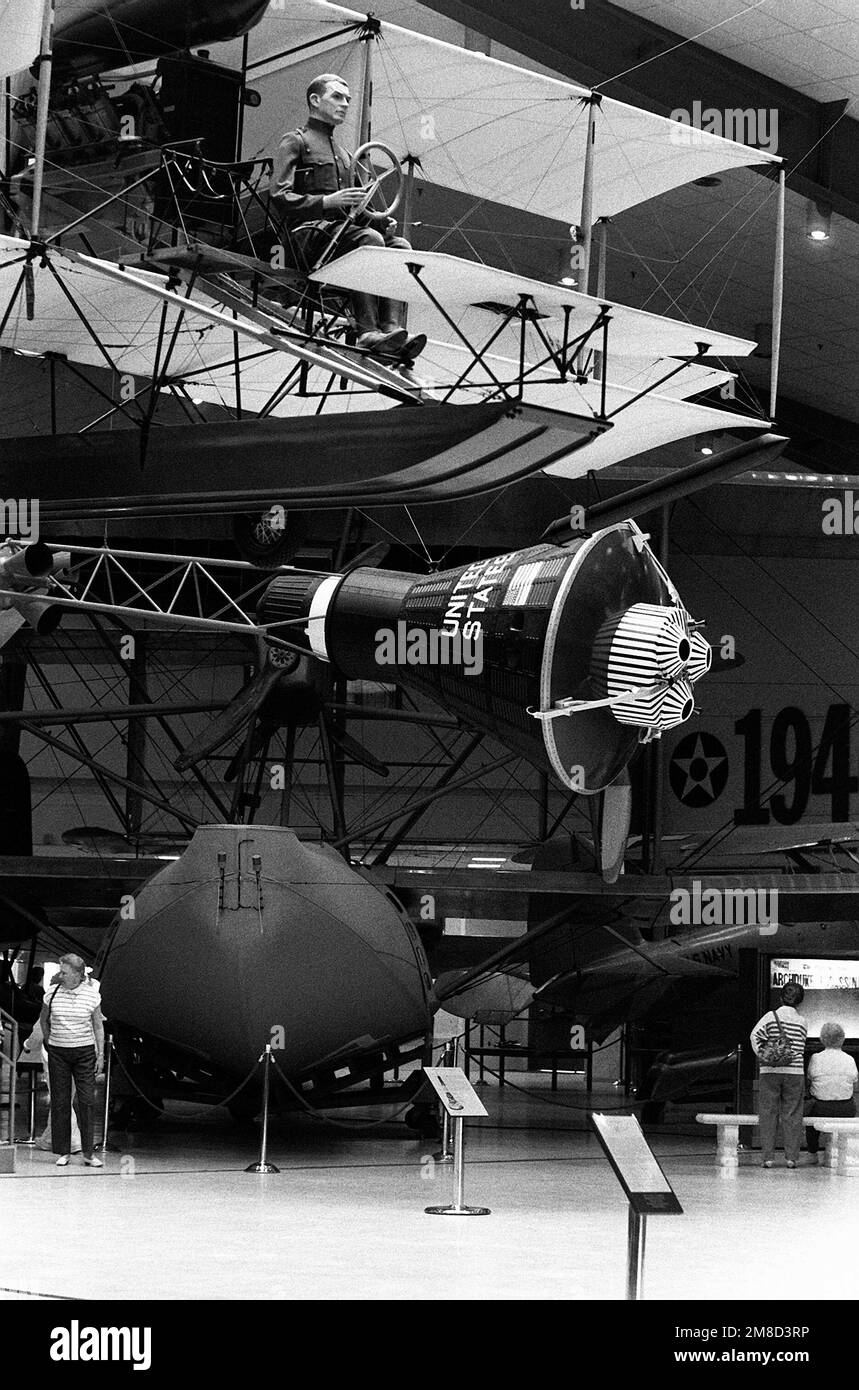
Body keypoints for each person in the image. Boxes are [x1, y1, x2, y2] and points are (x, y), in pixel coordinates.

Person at [270, 73, 426, 363]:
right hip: (304, 238)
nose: (344, 104)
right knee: (369, 240)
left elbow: (350, 213)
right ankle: (367, 331)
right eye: (337, 97)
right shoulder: (295, 141)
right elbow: (279, 198)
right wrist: (326, 201)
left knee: (400, 246)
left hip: (337, 237)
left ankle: (391, 328)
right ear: (315, 101)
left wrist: (377, 220)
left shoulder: (344, 155)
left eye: (347, 100)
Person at [40, 955, 104, 1168]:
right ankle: (63, 1151)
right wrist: (50, 1042)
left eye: (65, 972)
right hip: (59, 1052)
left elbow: (97, 1026)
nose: (61, 975)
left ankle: (88, 1153)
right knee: (60, 1101)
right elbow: (44, 1020)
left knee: (86, 1100)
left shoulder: (92, 996)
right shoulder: (53, 993)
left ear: (78, 974)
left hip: (84, 1052)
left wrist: (100, 1054)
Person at [750, 981, 808, 1168]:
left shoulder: (770, 1016)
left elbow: (754, 1036)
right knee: (792, 1113)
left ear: (781, 997)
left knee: (768, 1112)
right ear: (799, 1002)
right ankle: (791, 1158)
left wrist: (764, 1055)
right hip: (795, 1072)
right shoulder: (802, 1021)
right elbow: (800, 1047)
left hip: (770, 1071)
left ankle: (768, 1157)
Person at [805, 1021, 858, 1161]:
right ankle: (843, 1151)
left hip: (821, 1107)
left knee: (810, 1111)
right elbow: (854, 1080)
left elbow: (810, 1078)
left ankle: (812, 1153)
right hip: (845, 1108)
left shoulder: (816, 1058)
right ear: (843, 1039)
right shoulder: (850, 1059)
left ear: (822, 1039)